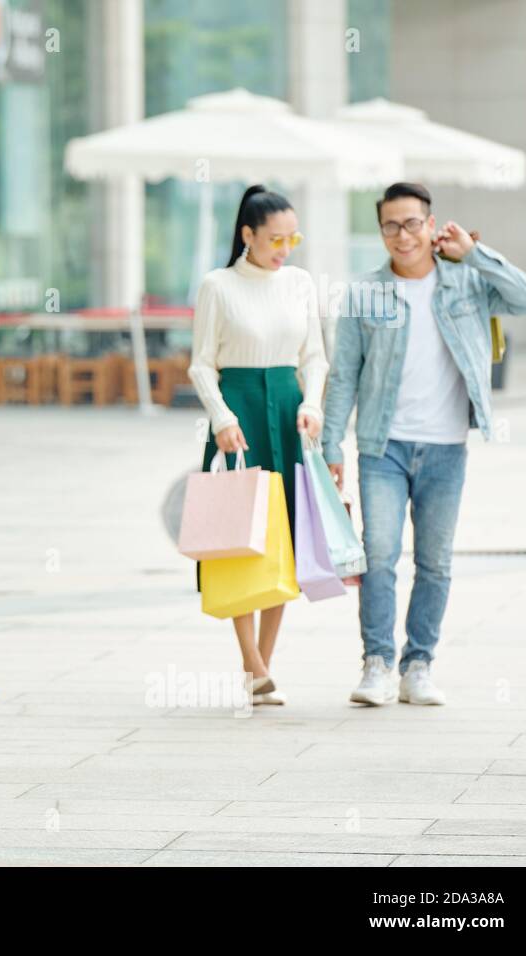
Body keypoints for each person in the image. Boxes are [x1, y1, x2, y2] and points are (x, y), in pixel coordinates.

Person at [324, 182, 526, 706]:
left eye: (412, 224)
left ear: (431, 223)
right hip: (382, 445)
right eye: (390, 226)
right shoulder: (363, 293)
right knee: (378, 556)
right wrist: (331, 444)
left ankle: (417, 665)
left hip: (446, 447)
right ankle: (376, 664)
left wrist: (476, 253)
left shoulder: (465, 281)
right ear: (381, 232)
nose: (402, 236)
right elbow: (342, 375)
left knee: (436, 561)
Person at [190, 184, 329, 707]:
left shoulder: (299, 283)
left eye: (292, 237)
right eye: (275, 238)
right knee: (236, 537)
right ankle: (250, 661)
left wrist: (312, 404)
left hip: (291, 416)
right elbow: (201, 363)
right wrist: (221, 417)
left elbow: (314, 356)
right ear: (247, 234)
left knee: (283, 540)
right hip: (240, 415)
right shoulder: (217, 285)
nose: (285, 248)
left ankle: (261, 667)